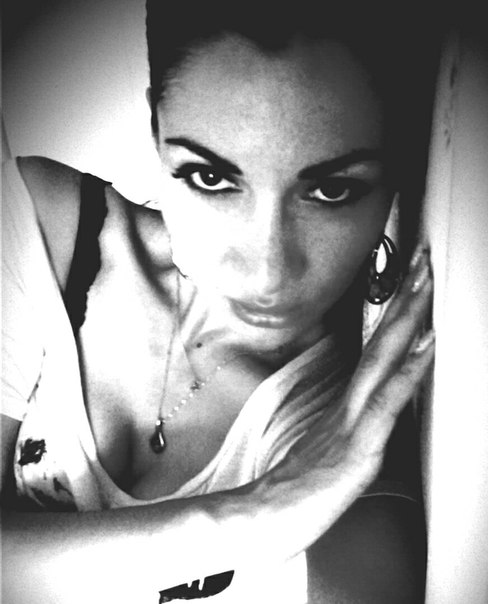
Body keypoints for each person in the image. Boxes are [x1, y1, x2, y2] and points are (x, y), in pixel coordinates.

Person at [1, 2, 438, 602]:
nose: (268, 271)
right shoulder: (42, 232)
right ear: (156, 128)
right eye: (212, 178)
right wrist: (253, 515)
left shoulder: (351, 458)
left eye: (332, 190)